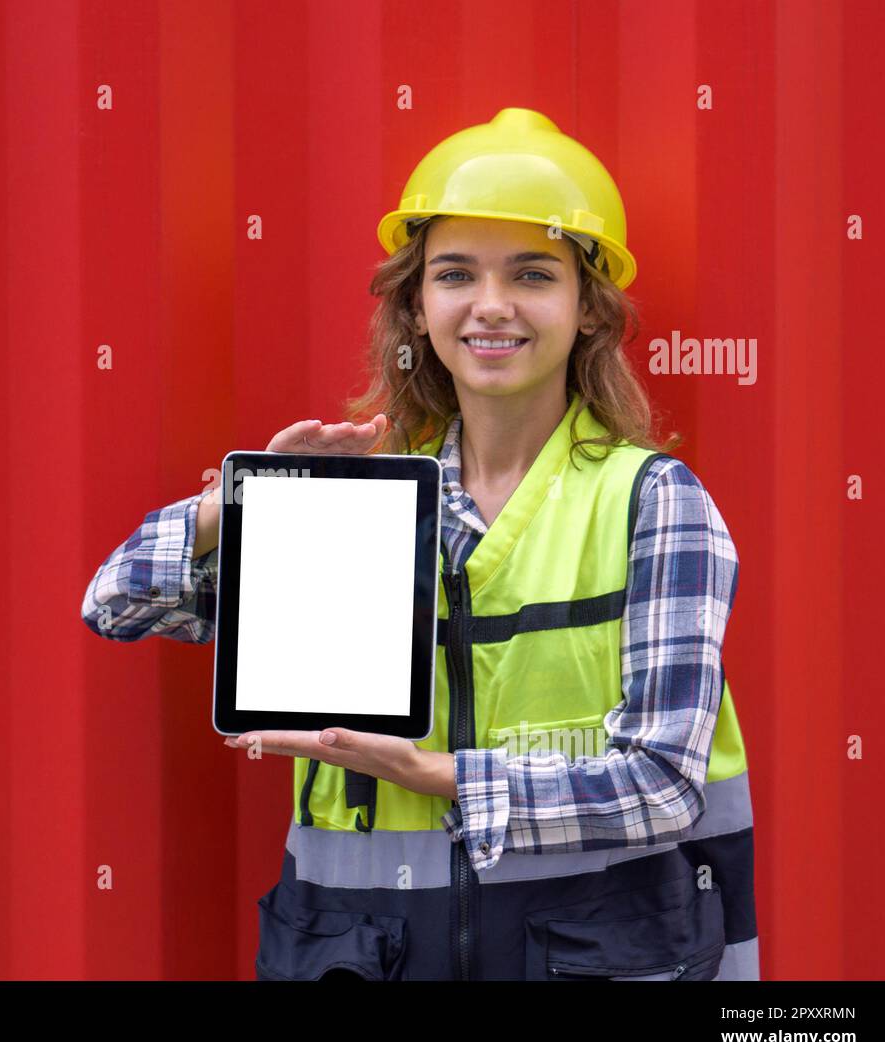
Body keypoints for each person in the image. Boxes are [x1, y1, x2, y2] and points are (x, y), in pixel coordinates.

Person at [81, 107, 759, 982]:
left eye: (531, 273)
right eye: (454, 273)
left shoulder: (652, 504)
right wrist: (235, 506)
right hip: (365, 955)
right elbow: (114, 603)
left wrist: (439, 774)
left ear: (589, 307)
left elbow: (663, 782)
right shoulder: (360, 505)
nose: (490, 305)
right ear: (417, 303)